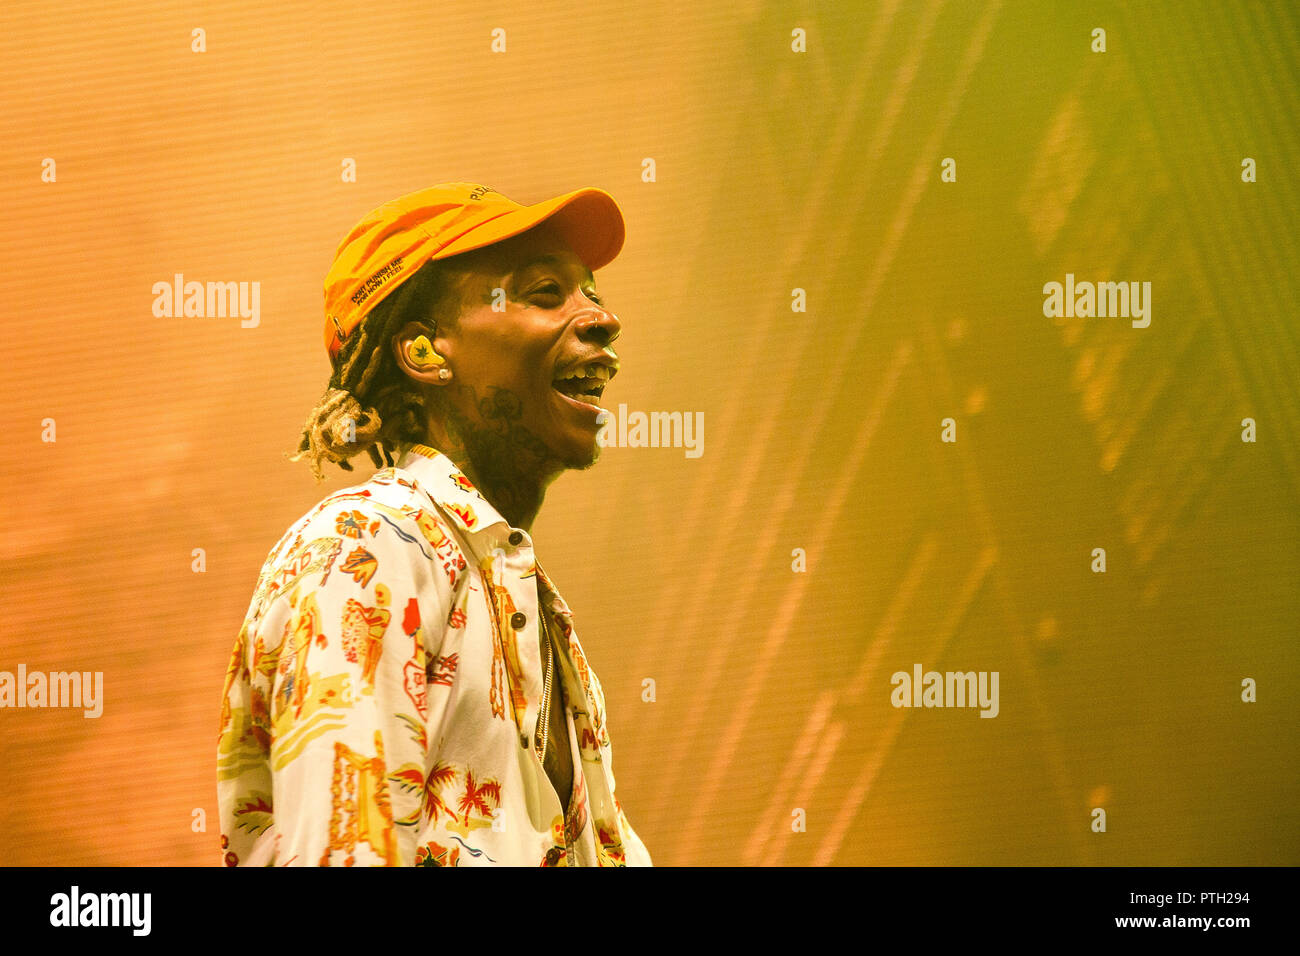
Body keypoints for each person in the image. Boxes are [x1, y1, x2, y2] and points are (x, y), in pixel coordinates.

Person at [217, 182, 652, 866]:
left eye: (591, 293)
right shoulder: (364, 549)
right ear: (424, 352)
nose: (602, 318)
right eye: (545, 293)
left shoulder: (530, 605)